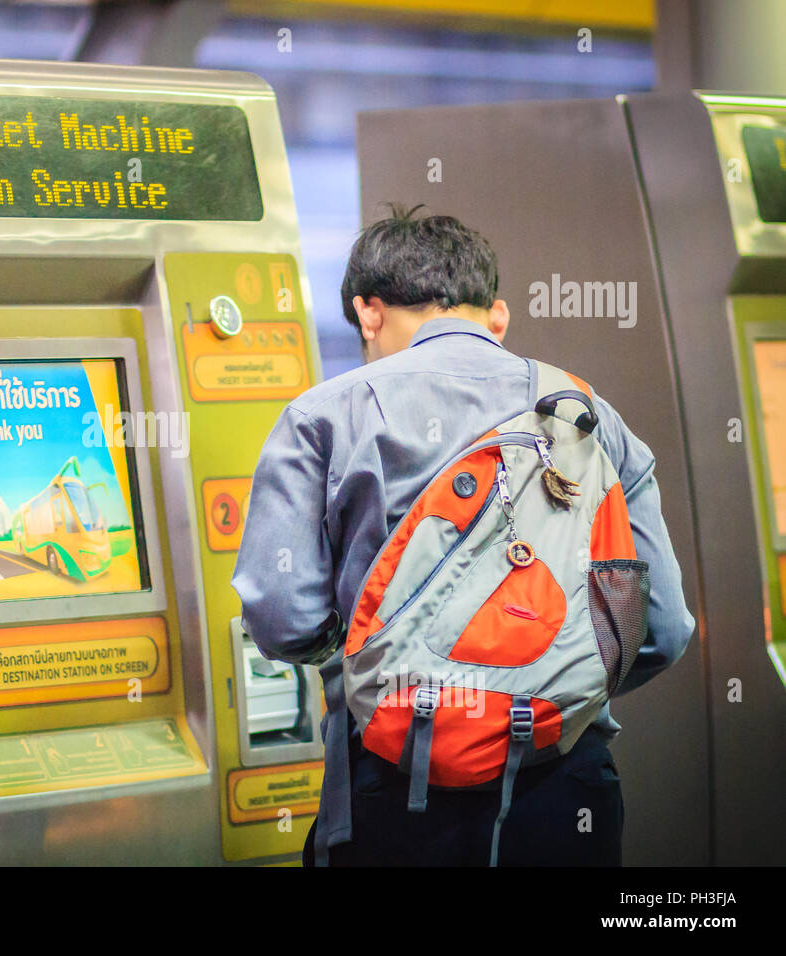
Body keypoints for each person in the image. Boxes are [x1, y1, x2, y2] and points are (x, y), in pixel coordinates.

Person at [230, 204, 695, 866]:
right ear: (497, 318)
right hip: (566, 790)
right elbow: (665, 627)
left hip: (397, 789)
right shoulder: (592, 415)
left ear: (368, 313)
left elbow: (284, 621)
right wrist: (551, 683)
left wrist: (391, 666)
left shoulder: (322, 417)